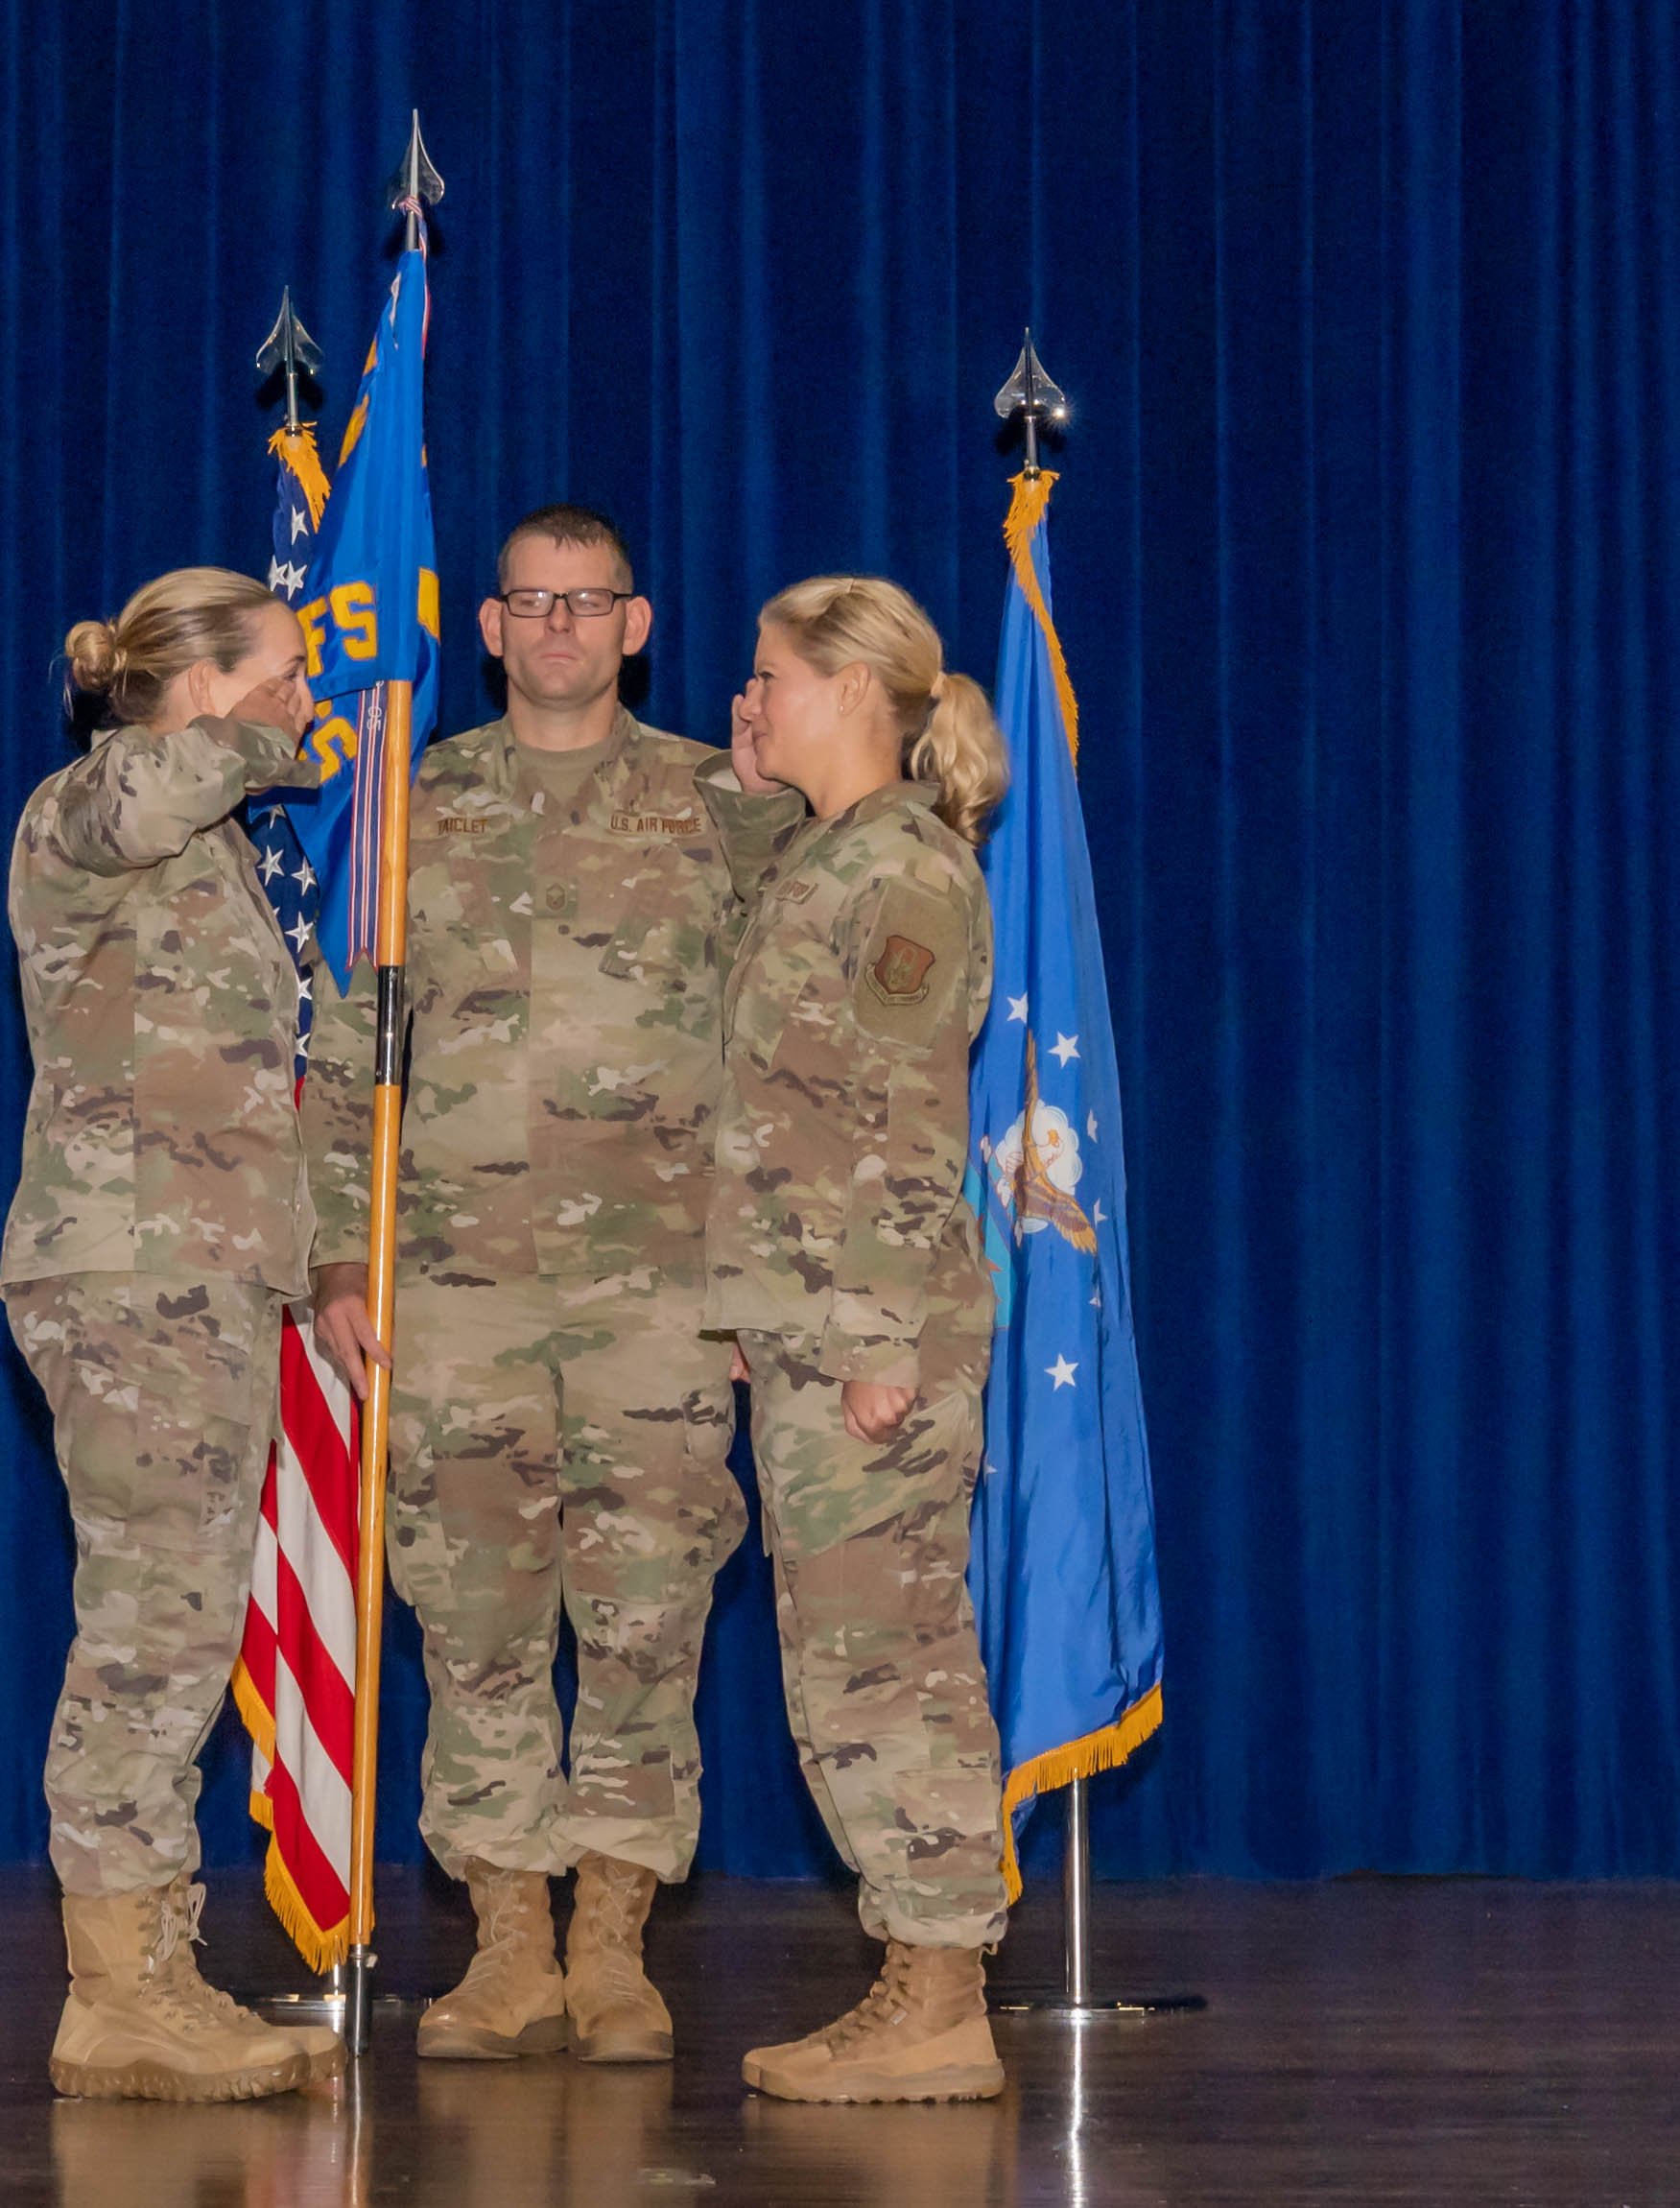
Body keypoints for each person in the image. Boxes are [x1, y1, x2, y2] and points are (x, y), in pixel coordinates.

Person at [302, 507, 799, 2064]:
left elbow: (796, 1043)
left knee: (647, 1618)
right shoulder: (413, 803)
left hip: (662, 1295)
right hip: (451, 1294)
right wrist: (331, 1250)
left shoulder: (724, 809)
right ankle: (508, 1940)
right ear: (494, 627)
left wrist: (757, 1277)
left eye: (591, 602)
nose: (563, 627)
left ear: (638, 624)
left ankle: (614, 1948)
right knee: (474, 1619)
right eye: (534, 601)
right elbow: (338, 1048)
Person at [1, 566, 342, 2103]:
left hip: (205, 1281)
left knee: (180, 1621)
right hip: (128, 1271)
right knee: (152, 1627)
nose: (301, 698)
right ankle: (116, 1990)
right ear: (195, 683)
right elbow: (146, 788)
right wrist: (273, 737)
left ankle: (147, 1966)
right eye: (279, 672)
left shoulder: (223, 863)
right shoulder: (87, 806)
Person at [706, 574, 1013, 2104]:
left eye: (770, 675)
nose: (747, 697)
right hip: (817, 1323)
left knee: (891, 1662)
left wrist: (882, 1333)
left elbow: (901, 1121)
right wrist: (778, 1308)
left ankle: (945, 1993)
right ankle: (922, 1974)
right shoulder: (836, 855)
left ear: (848, 685)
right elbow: (786, 1114)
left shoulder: (909, 872)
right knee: (843, 1667)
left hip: (873, 1335)